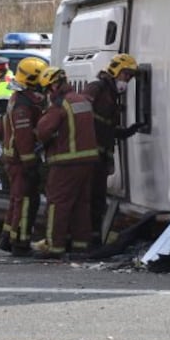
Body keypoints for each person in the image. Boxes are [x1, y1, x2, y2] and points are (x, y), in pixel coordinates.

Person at [32, 67, 98, 259]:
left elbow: (43, 131)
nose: (47, 94)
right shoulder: (82, 100)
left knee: (58, 204)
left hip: (66, 163)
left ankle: (55, 247)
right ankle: (80, 246)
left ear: (53, 85)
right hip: (88, 161)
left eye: (46, 89)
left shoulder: (60, 105)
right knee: (81, 204)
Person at [81, 53, 144, 246]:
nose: (127, 81)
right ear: (116, 71)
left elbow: (107, 128)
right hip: (91, 156)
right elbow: (82, 118)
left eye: (130, 77)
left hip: (101, 157)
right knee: (89, 199)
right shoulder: (97, 88)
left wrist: (127, 132)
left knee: (98, 200)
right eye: (126, 75)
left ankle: (94, 239)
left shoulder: (111, 95)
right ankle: (85, 241)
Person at [0, 56, 48, 256]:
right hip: (21, 161)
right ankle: (20, 244)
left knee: (17, 200)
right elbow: (23, 137)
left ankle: (8, 238)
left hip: (14, 159)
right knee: (25, 202)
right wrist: (31, 163)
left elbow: (0, 129)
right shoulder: (24, 104)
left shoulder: (18, 97)